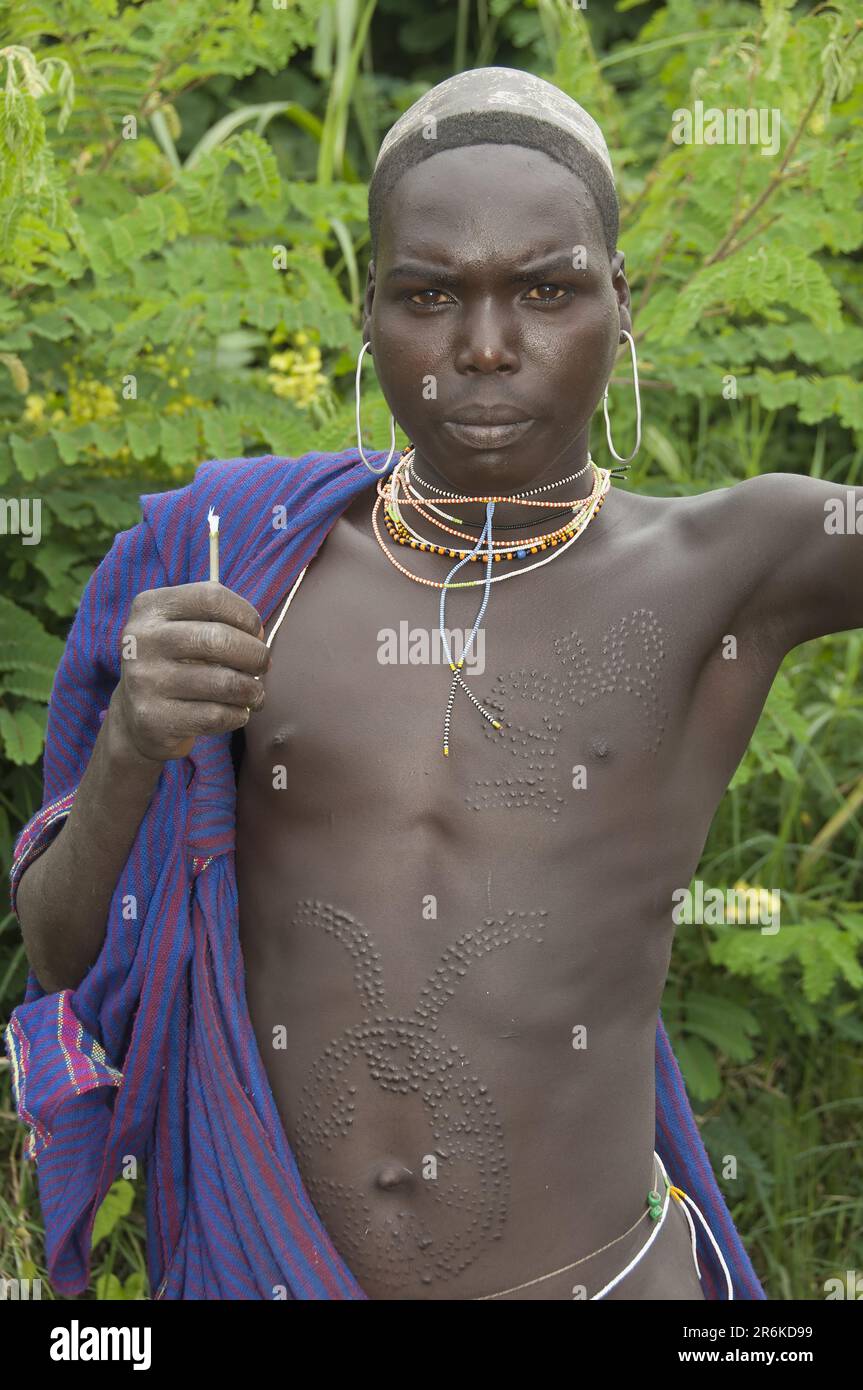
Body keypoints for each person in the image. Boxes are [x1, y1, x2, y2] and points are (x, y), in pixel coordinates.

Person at [5, 67, 860, 1302]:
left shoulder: (726, 565)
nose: (485, 347)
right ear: (367, 313)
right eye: (428, 295)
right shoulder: (235, 562)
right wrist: (133, 747)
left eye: (547, 290)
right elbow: (59, 949)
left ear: (621, 305)